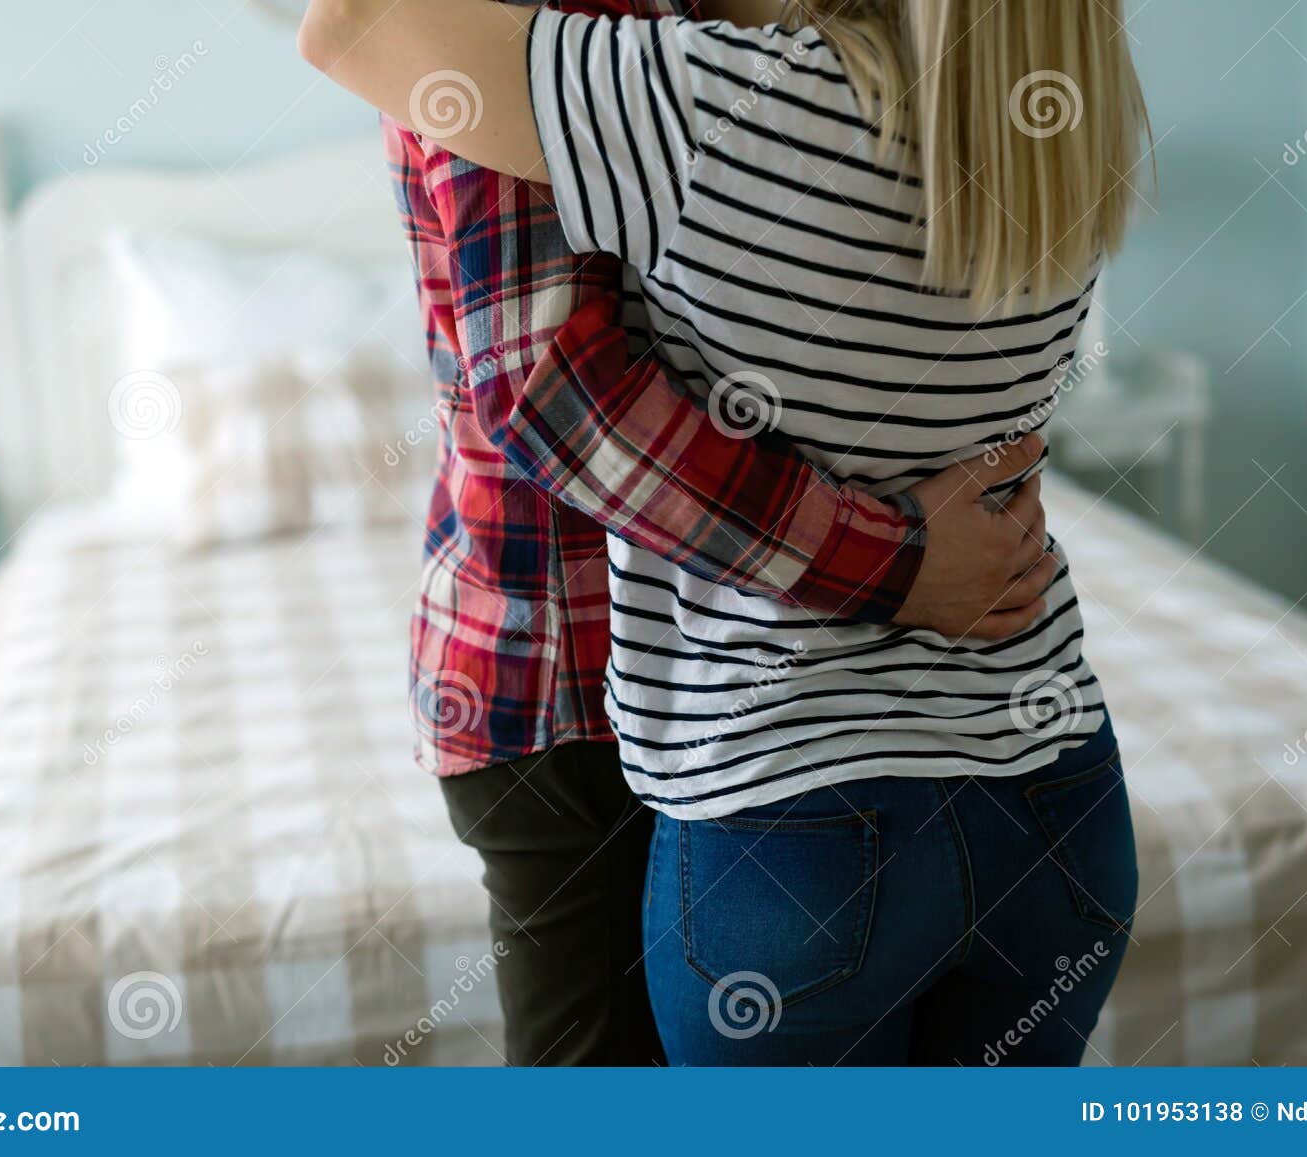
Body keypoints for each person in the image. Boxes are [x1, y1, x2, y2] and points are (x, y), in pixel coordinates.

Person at [302, 0, 1119, 1063]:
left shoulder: (716, 89)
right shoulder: (1054, 101)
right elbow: (552, 390)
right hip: (575, 681)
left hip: (759, 776)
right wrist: (899, 563)